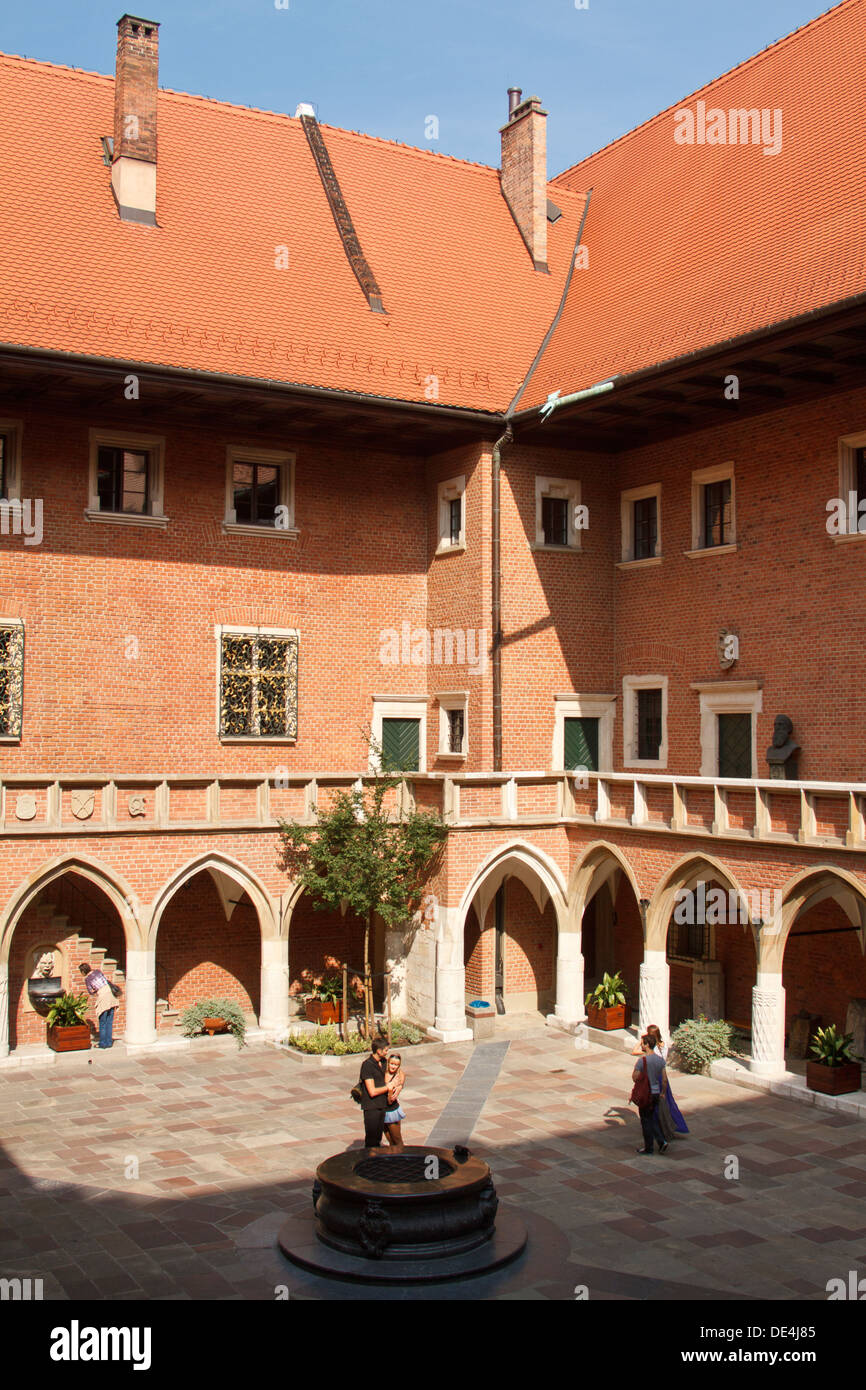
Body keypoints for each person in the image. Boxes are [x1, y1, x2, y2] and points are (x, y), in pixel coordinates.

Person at [630, 1023, 688, 1138]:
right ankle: (673, 1126)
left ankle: (659, 1129)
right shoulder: (663, 1045)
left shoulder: (651, 1050)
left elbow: (634, 1051)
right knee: (667, 1102)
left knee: (652, 1104)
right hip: (662, 1076)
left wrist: (642, 1041)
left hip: (653, 1078)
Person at [632, 1032, 668, 1155]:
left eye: (642, 1043)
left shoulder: (642, 1061)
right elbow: (664, 1079)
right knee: (652, 1117)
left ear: (647, 1045)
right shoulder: (660, 1061)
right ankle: (661, 1141)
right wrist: (663, 1092)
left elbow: (634, 1078)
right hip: (656, 1092)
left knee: (646, 1120)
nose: (641, 1045)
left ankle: (650, 1147)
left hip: (646, 1093)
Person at [358, 1036, 392, 1148]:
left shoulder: (384, 1062)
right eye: (386, 1050)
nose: (387, 1052)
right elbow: (372, 1091)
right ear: (379, 1051)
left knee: (378, 1137)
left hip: (382, 1104)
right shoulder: (367, 1065)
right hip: (371, 1107)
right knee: (371, 1139)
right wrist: (388, 1087)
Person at [79, 962, 118, 1049]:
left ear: (83, 971)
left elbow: (91, 991)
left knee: (102, 1021)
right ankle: (108, 1042)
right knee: (109, 1021)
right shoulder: (98, 971)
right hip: (111, 995)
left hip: (103, 997)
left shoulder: (88, 979)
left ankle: (103, 1043)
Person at [383, 1051, 406, 1151]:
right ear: (388, 1063)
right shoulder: (382, 1072)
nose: (393, 1067)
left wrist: (390, 1090)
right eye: (392, 1064)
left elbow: (391, 1099)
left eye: (396, 1065)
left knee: (397, 1140)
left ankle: (404, 1159)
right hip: (382, 1110)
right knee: (390, 1140)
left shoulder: (398, 1076)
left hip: (391, 1110)